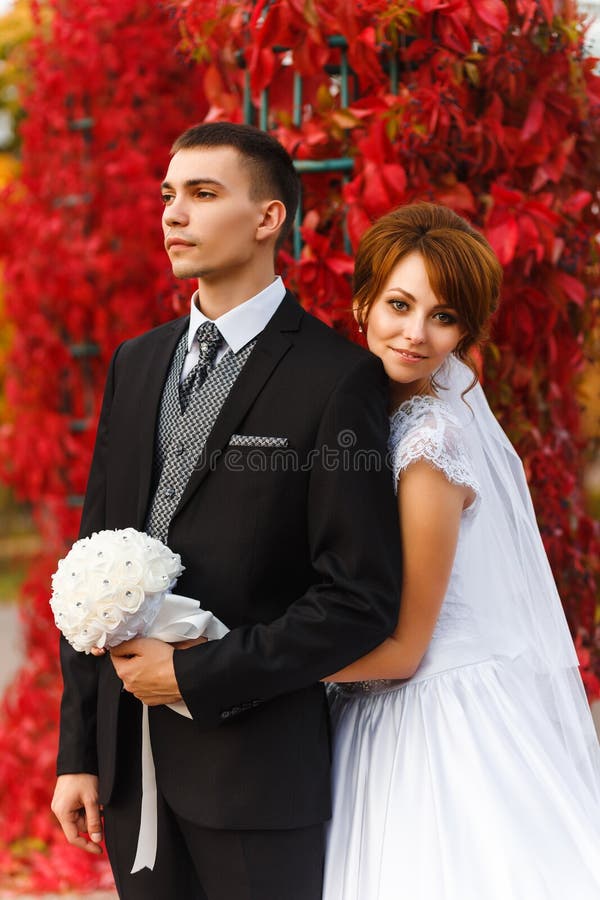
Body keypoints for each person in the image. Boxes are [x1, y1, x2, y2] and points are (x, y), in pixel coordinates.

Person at [50, 122, 403, 900]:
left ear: (268, 218)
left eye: (203, 195)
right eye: (169, 195)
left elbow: (359, 599)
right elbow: (91, 564)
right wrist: (79, 751)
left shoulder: (337, 379)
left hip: (257, 777)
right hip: (131, 774)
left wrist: (197, 674)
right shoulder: (136, 362)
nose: (173, 214)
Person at [322, 202, 600, 900]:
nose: (415, 333)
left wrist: (255, 663)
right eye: (398, 304)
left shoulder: (429, 443)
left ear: (463, 333)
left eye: (443, 317)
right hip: (381, 706)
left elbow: (406, 648)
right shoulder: (365, 415)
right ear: (363, 303)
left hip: (432, 714)